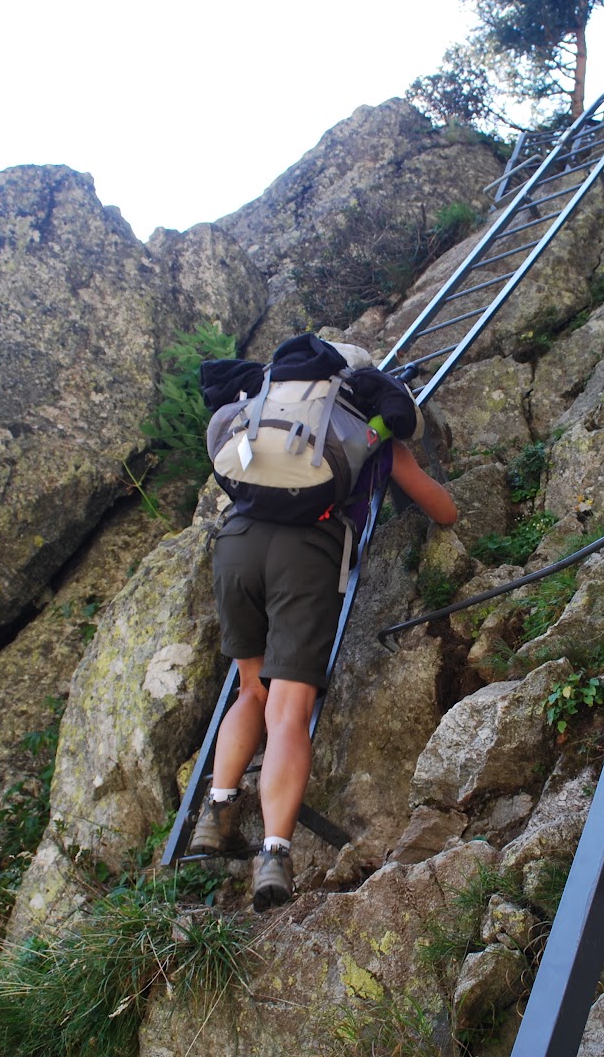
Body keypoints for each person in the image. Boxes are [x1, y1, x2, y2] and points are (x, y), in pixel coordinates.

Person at [191, 335, 457, 911]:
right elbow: (442, 508)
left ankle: (216, 808)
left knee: (251, 690)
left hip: (236, 544)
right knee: (289, 710)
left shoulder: (265, 408)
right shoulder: (362, 427)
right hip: (306, 554)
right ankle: (274, 853)